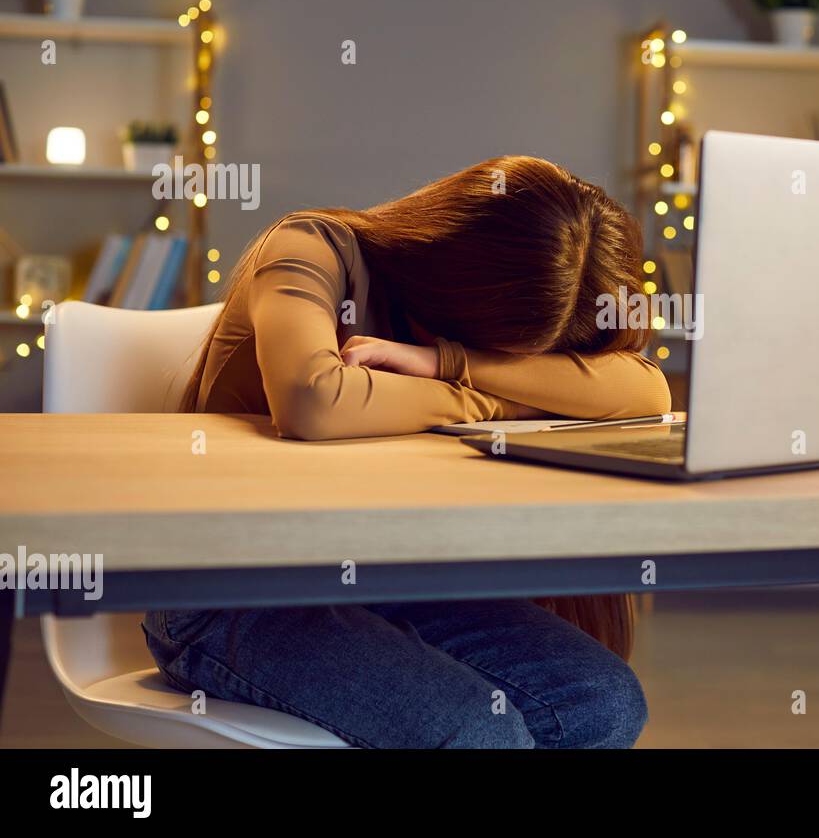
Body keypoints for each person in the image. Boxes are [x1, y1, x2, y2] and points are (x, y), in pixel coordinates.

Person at [142, 156, 670, 748]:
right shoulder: (312, 245)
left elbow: (645, 389)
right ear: (447, 273)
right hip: (230, 591)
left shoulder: (452, 348)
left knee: (603, 702)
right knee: (478, 731)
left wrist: (452, 362)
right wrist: (496, 402)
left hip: (386, 579)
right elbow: (315, 401)